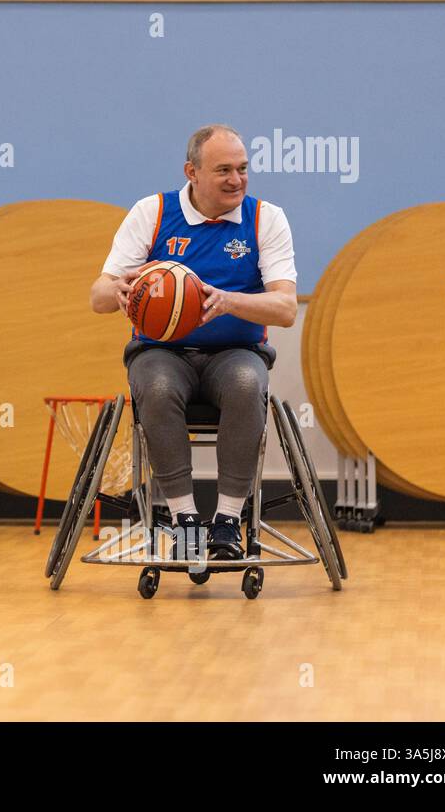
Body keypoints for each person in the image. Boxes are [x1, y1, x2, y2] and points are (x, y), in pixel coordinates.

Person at [89, 125, 298, 562]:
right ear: (192, 172)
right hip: (162, 352)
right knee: (158, 389)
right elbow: (98, 299)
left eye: (242, 169)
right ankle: (185, 521)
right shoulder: (153, 212)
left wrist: (228, 302)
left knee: (245, 384)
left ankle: (226, 522)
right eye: (223, 169)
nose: (236, 180)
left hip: (236, 353)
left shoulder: (266, 218)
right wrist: (119, 291)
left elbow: (285, 308)